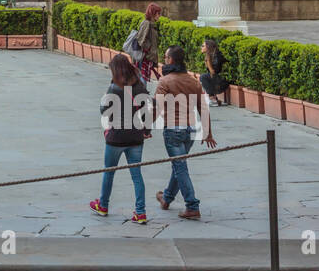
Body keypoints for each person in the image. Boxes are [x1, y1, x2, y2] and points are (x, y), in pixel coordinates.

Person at [154, 45, 216, 220]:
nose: (165, 60)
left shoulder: (164, 81)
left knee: (180, 167)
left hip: (173, 130)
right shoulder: (193, 81)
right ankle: (166, 198)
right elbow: (203, 109)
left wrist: (144, 128)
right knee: (179, 166)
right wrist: (208, 133)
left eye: (166, 57)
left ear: (171, 60)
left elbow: (156, 108)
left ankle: (192, 205)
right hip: (190, 130)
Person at [89, 54, 151, 224]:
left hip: (116, 137)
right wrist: (147, 130)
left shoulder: (114, 88)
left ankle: (103, 205)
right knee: (137, 175)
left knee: (109, 172)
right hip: (136, 136)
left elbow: (104, 111)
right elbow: (147, 111)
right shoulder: (139, 86)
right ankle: (141, 212)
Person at [134, 3, 163, 83]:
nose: (159, 15)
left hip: (147, 57)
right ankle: (140, 95)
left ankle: (140, 94)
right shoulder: (147, 23)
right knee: (142, 80)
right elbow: (141, 40)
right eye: (158, 13)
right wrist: (149, 49)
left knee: (143, 80)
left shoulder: (151, 24)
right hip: (144, 58)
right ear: (153, 13)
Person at [199, 38, 229, 105]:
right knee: (204, 76)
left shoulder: (217, 56)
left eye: (203, 46)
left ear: (208, 47)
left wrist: (208, 62)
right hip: (217, 79)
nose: (201, 47)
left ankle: (212, 98)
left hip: (222, 81)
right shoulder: (210, 56)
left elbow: (213, 72)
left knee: (203, 77)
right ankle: (214, 98)